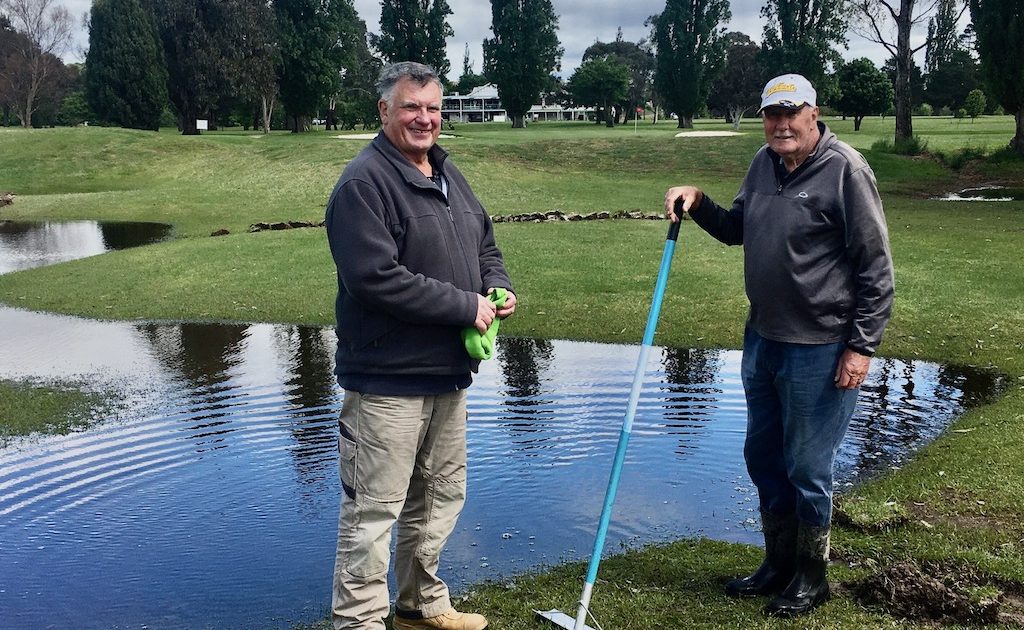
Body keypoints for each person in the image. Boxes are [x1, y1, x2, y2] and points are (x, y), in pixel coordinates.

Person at [663, 73, 894, 617]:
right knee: (762, 455)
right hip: (763, 338)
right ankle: (778, 565)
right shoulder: (763, 164)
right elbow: (738, 228)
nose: (782, 123)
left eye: (792, 113)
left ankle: (813, 577)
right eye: (772, 114)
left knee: (807, 465)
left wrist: (861, 348)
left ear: (814, 113)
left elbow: (876, 270)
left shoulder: (846, 171)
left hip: (822, 344)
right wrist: (698, 201)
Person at [325, 61, 516, 630]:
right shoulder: (363, 183)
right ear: (384, 110)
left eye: (433, 108)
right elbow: (374, 278)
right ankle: (359, 621)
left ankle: (421, 603)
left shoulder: (447, 173)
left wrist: (495, 286)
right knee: (373, 510)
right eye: (411, 107)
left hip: (446, 374)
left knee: (437, 500)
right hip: (385, 380)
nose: (425, 118)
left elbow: (483, 241)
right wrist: (465, 306)